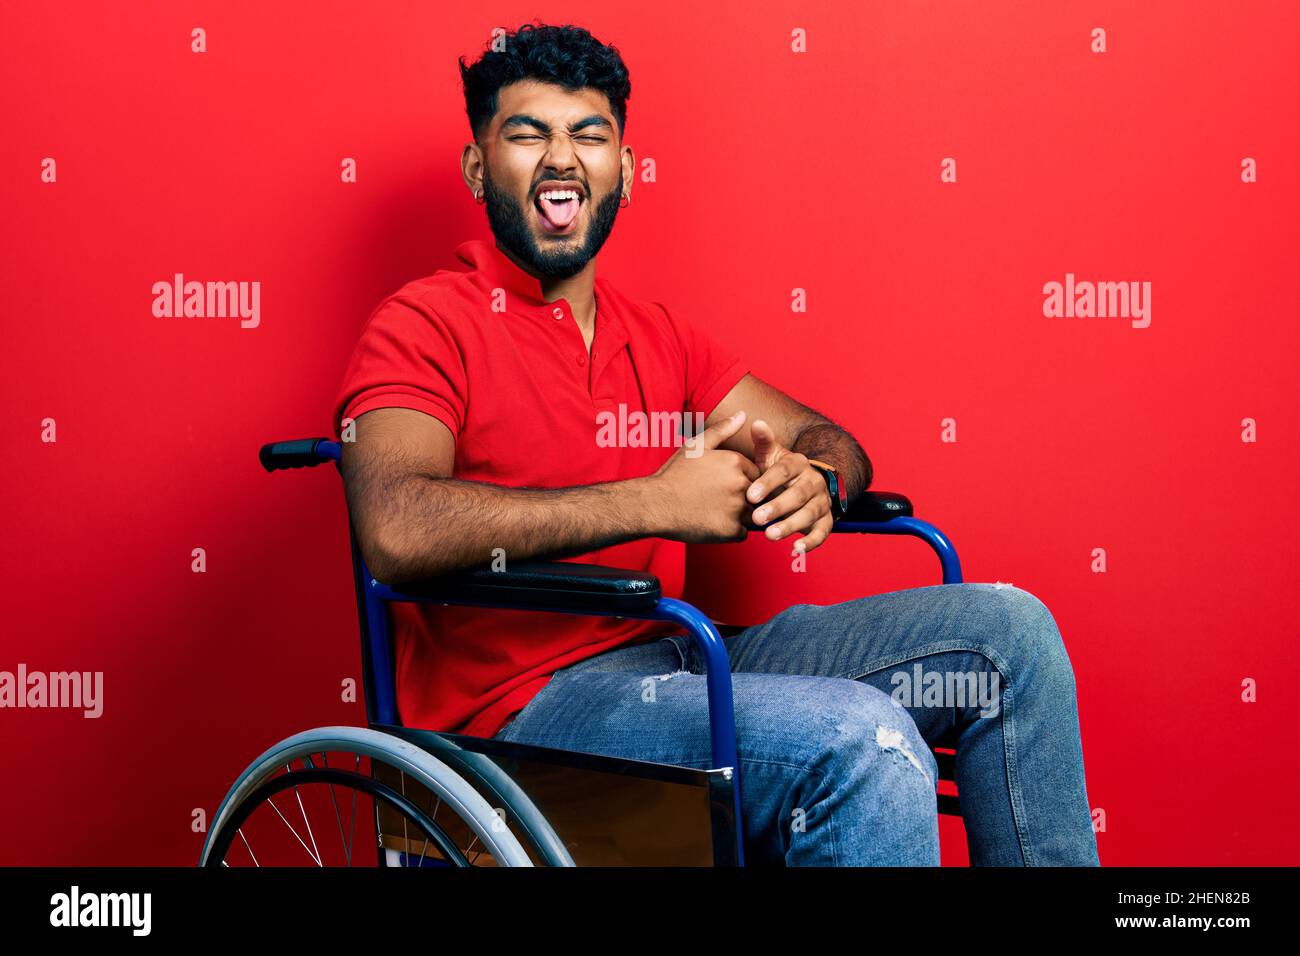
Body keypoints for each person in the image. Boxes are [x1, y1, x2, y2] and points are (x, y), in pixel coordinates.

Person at [332, 21, 1099, 866]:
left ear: (622, 170)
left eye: (589, 135)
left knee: (1009, 638)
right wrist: (653, 502)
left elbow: (825, 435)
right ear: (480, 167)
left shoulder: (659, 337)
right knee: (860, 739)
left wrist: (821, 479)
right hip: (528, 711)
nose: (561, 158)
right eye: (528, 133)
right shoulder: (425, 321)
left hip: (680, 652)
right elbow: (396, 528)